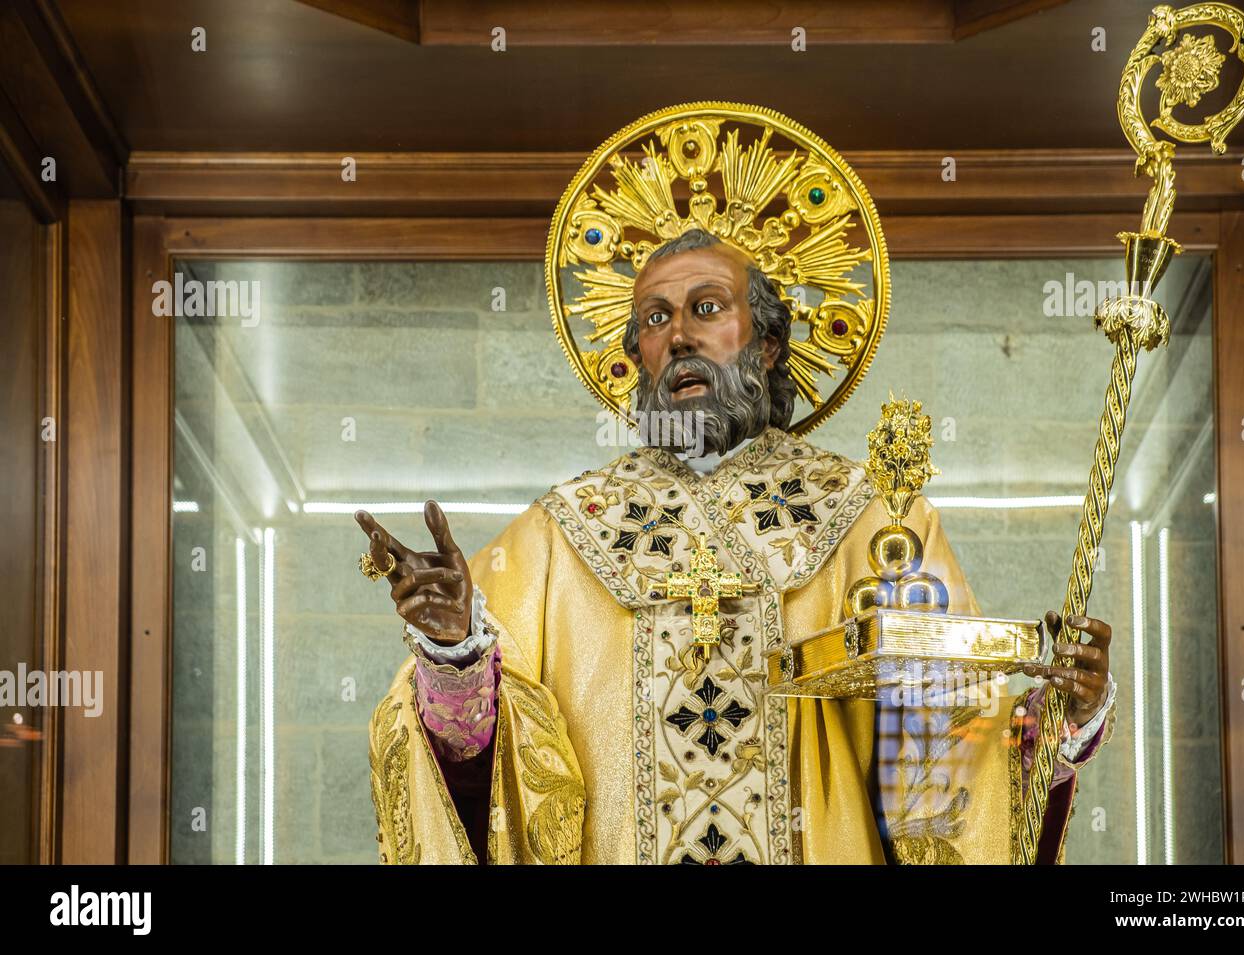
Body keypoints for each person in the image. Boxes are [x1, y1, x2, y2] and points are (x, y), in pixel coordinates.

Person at [359, 109, 1115, 865]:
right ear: (636, 357)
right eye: (655, 319)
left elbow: (951, 758)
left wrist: (1063, 717)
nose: (680, 334)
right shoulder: (560, 537)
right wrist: (454, 649)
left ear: (768, 340)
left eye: (707, 307)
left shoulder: (874, 521)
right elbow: (474, 768)